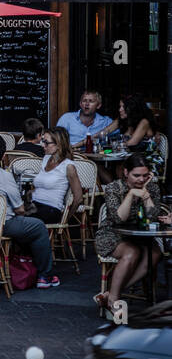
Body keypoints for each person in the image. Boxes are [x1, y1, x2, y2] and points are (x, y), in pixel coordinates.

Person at [0, 134, 58, 288]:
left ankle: (1, 265)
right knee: (38, 227)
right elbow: (20, 209)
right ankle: (44, 276)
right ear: (3, 155)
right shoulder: (5, 176)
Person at [94, 154, 166, 318]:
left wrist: (146, 195)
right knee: (131, 252)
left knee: (154, 254)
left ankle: (109, 293)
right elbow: (119, 218)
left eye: (145, 175)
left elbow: (152, 218)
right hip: (112, 234)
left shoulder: (152, 188)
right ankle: (114, 300)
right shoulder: (114, 188)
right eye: (136, 175)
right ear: (126, 172)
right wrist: (131, 193)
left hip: (140, 236)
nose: (141, 179)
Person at [32, 128, 85, 226]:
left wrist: (65, 219)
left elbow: (78, 198)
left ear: (58, 145)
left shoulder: (68, 166)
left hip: (51, 209)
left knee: (23, 221)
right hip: (34, 205)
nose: (43, 145)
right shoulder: (46, 158)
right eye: (43, 141)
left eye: (46, 143)